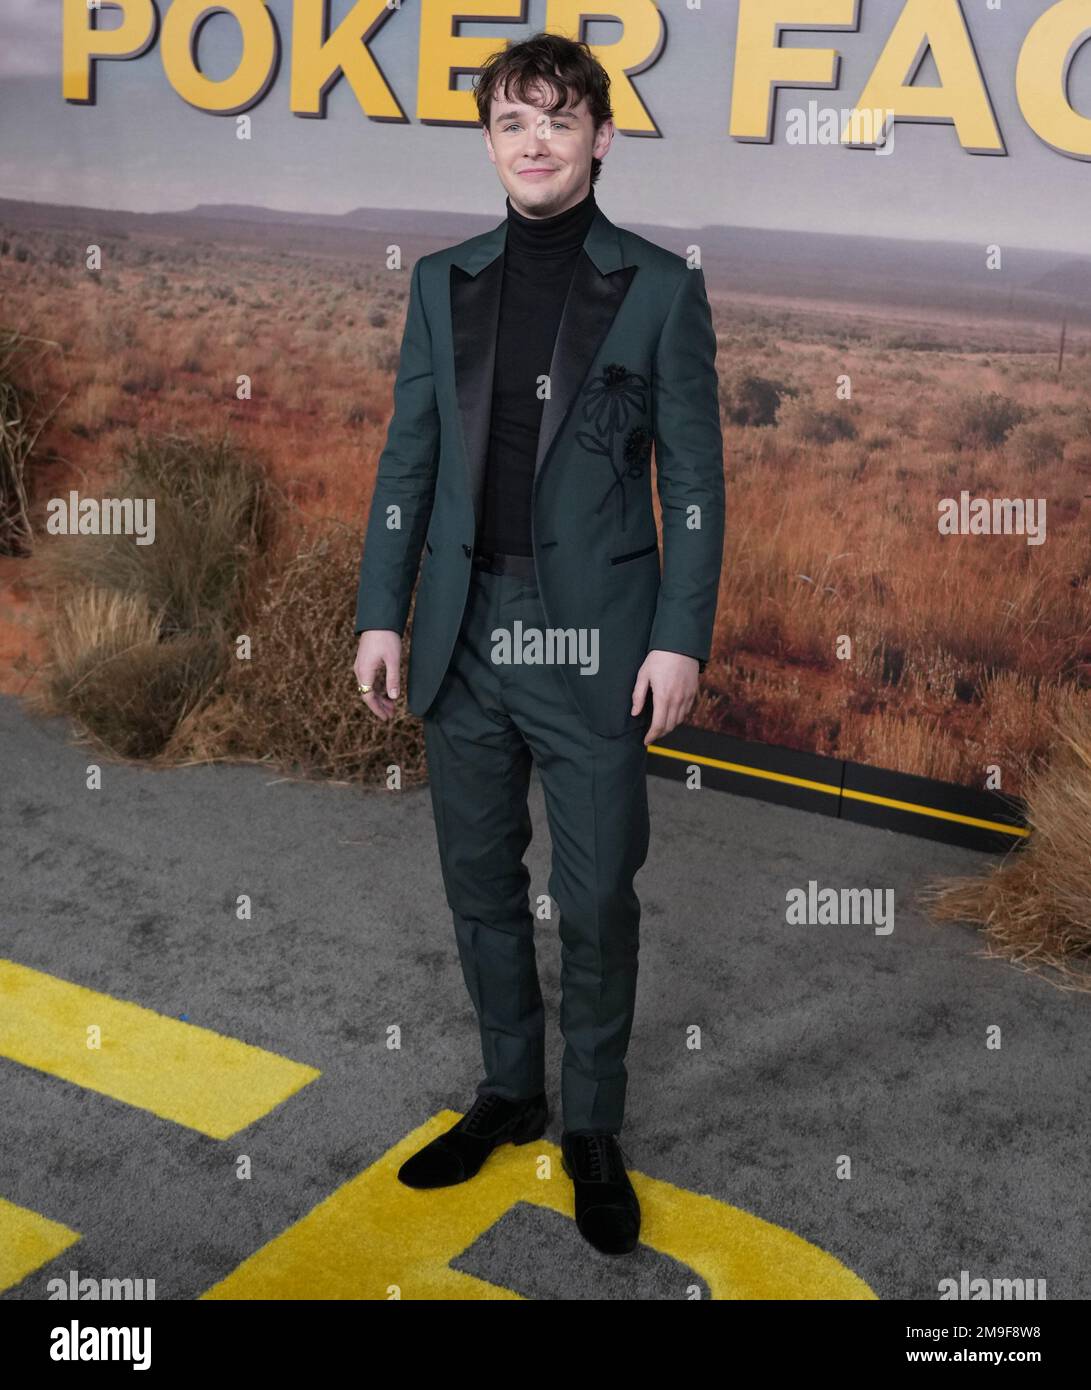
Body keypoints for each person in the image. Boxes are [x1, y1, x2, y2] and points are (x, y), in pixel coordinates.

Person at [352, 30, 724, 1257]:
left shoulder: (660, 288)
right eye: (513, 122)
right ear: (490, 143)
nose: (534, 141)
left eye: (557, 119)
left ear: (599, 138)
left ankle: (592, 1130)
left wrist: (678, 638)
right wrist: (379, 608)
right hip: (460, 634)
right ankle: (511, 1093)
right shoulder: (440, 280)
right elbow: (407, 459)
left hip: (598, 644)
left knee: (597, 895)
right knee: (477, 884)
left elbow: (693, 487)